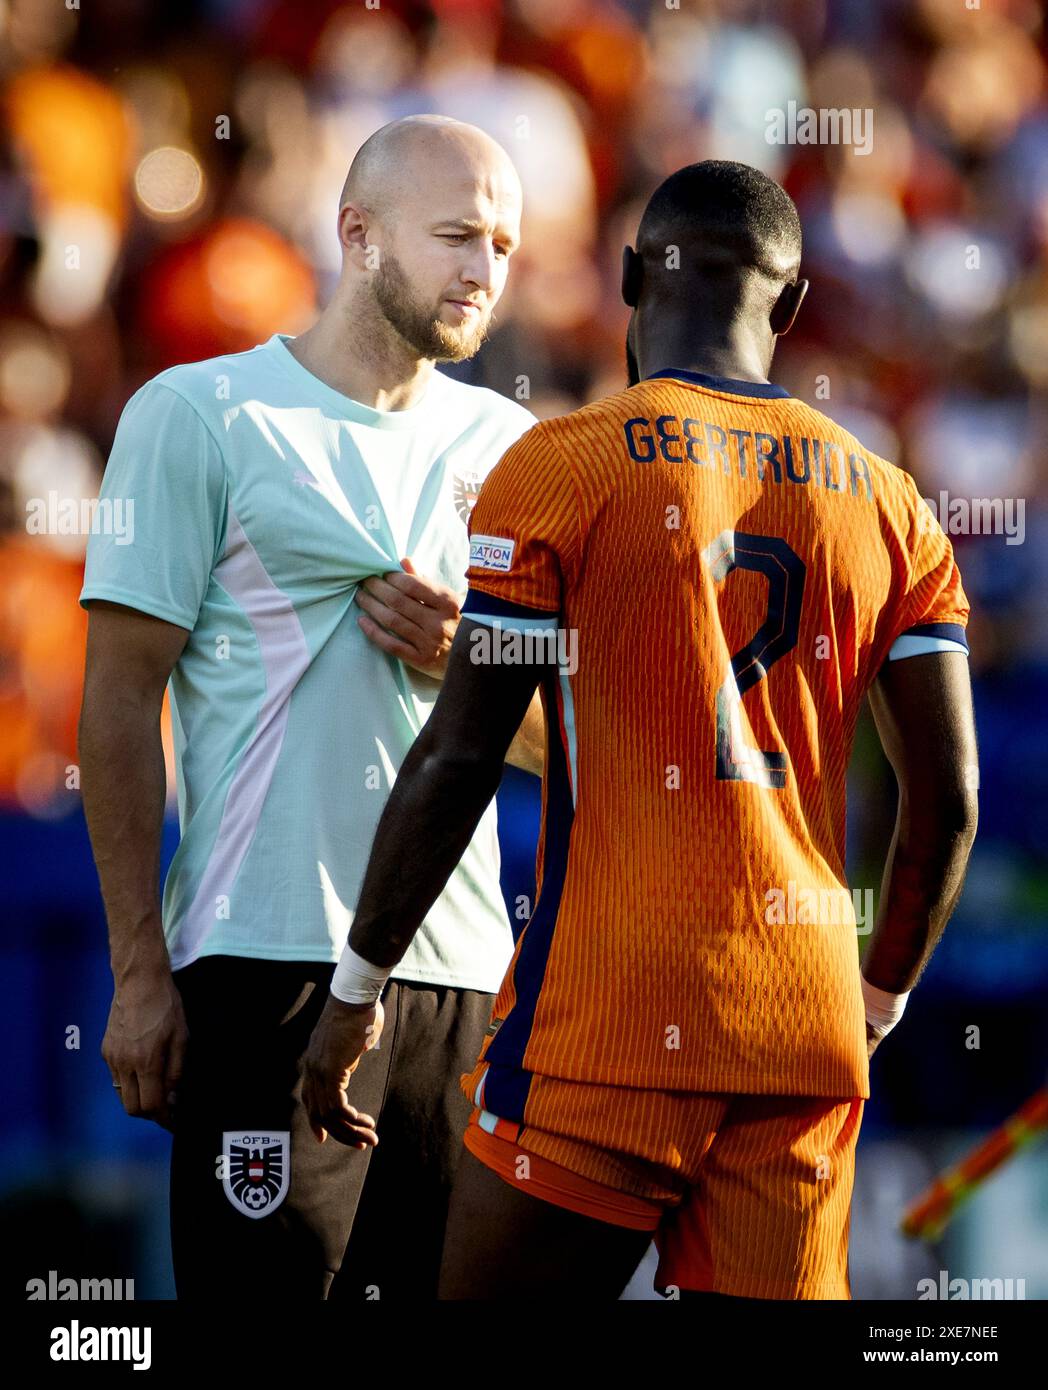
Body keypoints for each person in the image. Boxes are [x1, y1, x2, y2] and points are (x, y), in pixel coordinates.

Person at [302, 160, 979, 1301]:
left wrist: (355, 991)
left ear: (628, 277)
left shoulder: (560, 466)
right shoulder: (890, 499)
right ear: (796, 304)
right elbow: (948, 799)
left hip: (604, 1022)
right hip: (799, 1035)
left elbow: (460, 755)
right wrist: (875, 1001)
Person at [78, 115, 543, 1301]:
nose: (481, 271)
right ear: (357, 233)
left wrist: (467, 664)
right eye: (453, 236)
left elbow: (567, 739)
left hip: (459, 972)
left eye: (501, 244)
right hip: (262, 957)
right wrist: (139, 973)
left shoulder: (518, 449)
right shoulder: (199, 414)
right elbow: (121, 700)